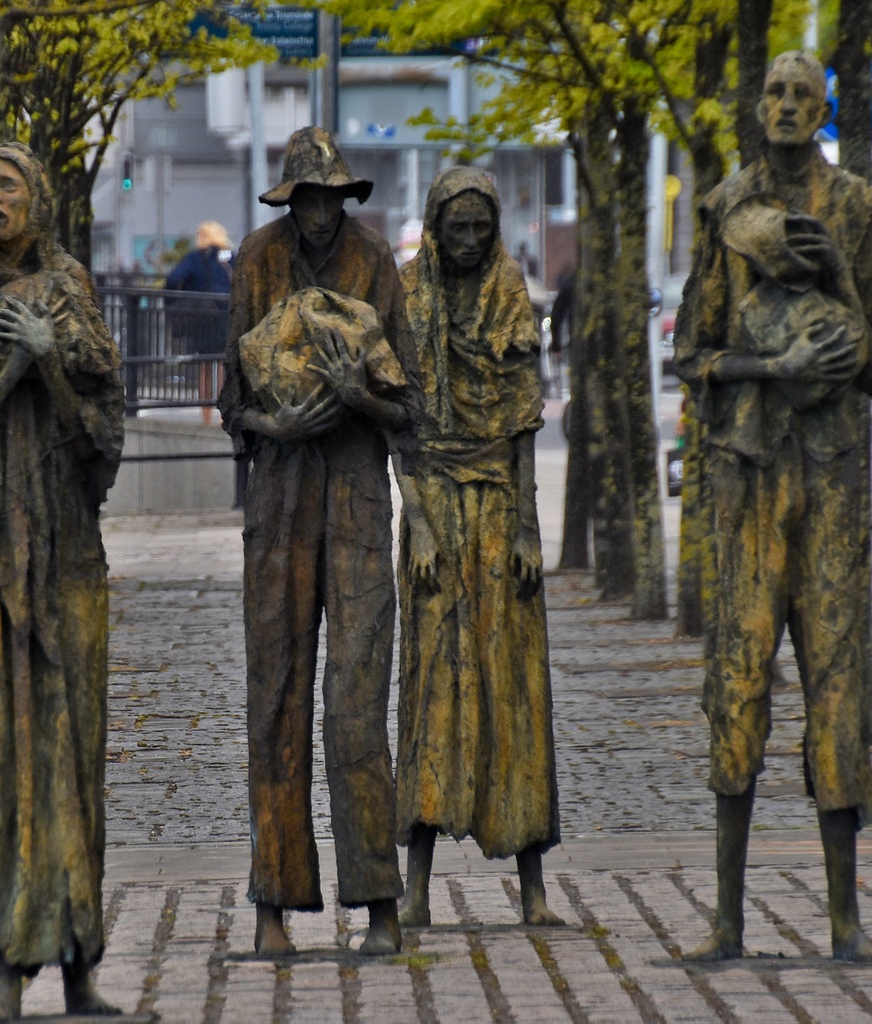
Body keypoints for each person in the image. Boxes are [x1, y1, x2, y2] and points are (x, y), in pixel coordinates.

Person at [672, 51, 872, 963]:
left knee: (839, 684)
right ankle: (727, 920)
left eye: (805, 95)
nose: (789, 107)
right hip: (749, 476)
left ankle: (846, 923)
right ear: (757, 107)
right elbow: (692, 354)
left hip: (834, 476)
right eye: (776, 93)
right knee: (739, 675)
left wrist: (838, 277)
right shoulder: (725, 207)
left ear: (825, 108)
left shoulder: (857, 206)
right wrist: (775, 369)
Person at [0, 142, 125, 1020]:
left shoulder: (71, 284)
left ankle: (77, 956)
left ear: (37, 199)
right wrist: (16, 365)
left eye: (8, 185)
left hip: (65, 548)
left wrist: (51, 359)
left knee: (71, 750)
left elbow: (102, 434)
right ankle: (5, 965)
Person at [218, 126, 414, 956]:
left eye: (332, 198)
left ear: (347, 198)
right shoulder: (255, 261)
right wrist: (277, 420)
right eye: (307, 199)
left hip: (360, 499)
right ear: (289, 201)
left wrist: (353, 397)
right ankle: (273, 900)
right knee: (277, 695)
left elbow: (412, 410)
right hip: (281, 498)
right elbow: (233, 404)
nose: (321, 213)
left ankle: (378, 903)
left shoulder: (377, 265)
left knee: (357, 702)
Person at [393, 166, 562, 928]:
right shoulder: (407, 292)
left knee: (512, 682)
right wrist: (418, 519)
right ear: (434, 226)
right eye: (454, 228)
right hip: (433, 506)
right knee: (433, 683)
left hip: (497, 507)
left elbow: (525, 418)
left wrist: (528, 524)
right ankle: (417, 885)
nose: (467, 243)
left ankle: (532, 886)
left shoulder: (509, 293)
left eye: (479, 229)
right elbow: (398, 423)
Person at [165, 220, 234, 421]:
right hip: (226, 315)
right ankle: (224, 414)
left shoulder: (195, 258)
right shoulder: (231, 257)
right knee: (222, 364)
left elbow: (173, 279)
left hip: (203, 316)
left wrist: (173, 300)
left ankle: (206, 414)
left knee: (204, 365)